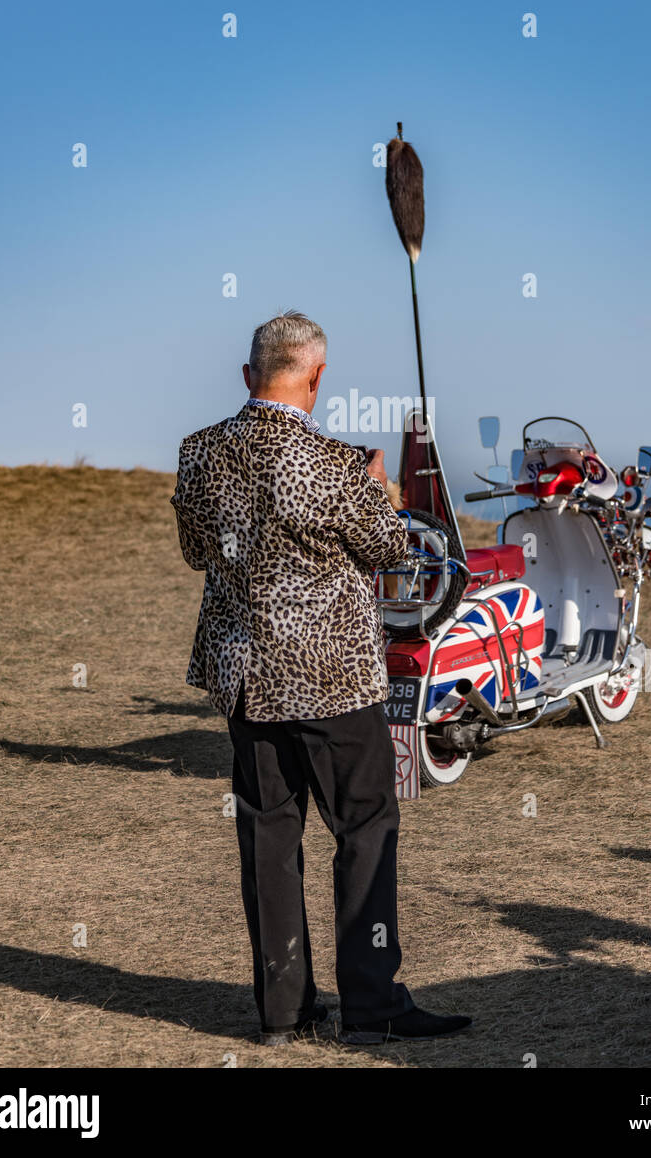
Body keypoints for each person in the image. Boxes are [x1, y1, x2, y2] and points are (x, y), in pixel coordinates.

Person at [171, 311, 472, 1046]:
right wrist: (381, 490)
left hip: (245, 676)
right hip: (332, 680)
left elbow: (195, 549)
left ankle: (283, 1012)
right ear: (316, 378)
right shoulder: (337, 464)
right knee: (364, 829)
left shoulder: (200, 452)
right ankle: (372, 1005)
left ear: (250, 376)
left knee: (269, 838)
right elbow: (387, 548)